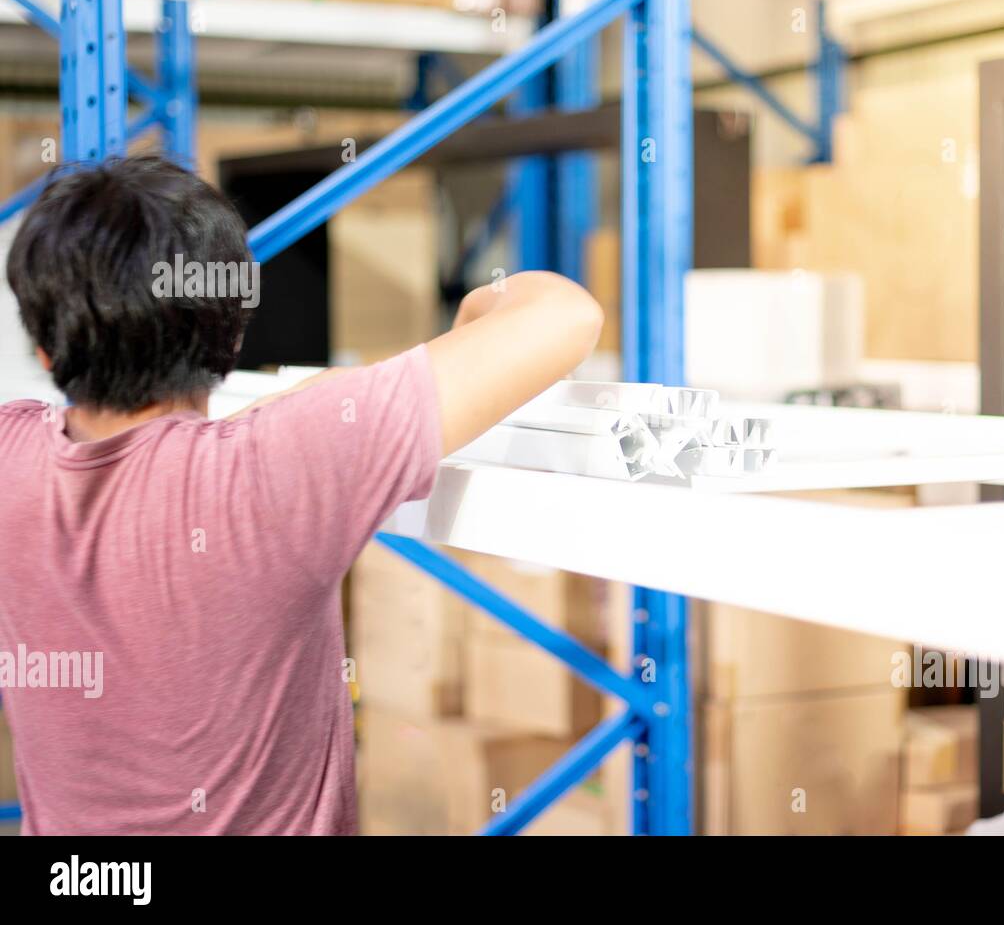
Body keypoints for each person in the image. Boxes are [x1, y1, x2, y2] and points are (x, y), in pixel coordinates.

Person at [0, 155, 603, 834]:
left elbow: (175, 459)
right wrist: (477, 306)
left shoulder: (13, 457)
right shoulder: (272, 472)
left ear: (45, 350)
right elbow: (564, 313)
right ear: (229, 337)